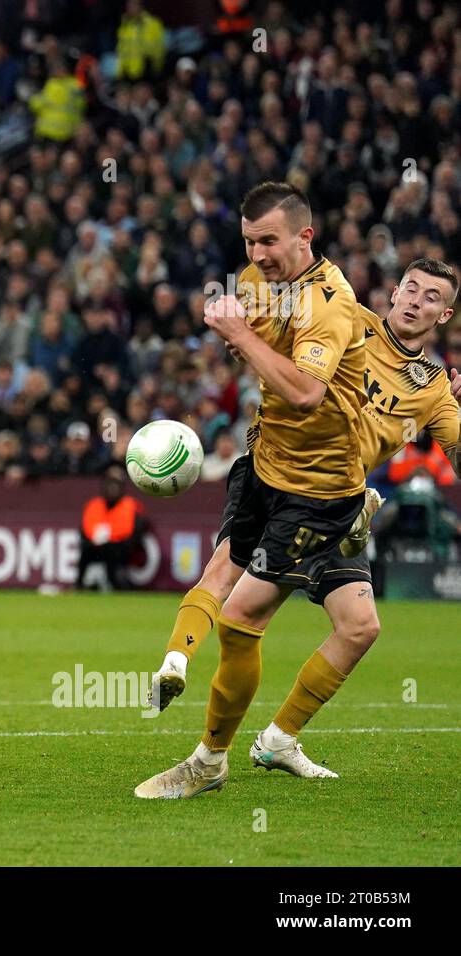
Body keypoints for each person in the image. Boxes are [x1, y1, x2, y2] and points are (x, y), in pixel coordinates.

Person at [139, 250, 461, 796]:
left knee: (359, 628)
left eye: (432, 297)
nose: (415, 301)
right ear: (394, 291)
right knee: (239, 607)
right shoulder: (348, 321)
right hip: (289, 487)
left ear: (445, 316)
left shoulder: (433, 390)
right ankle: (205, 747)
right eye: (410, 288)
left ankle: (278, 739)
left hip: (340, 506)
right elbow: (282, 349)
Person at [135, 182, 372, 798]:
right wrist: (237, 333)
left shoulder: (330, 302)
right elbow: (262, 357)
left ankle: (208, 764)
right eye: (249, 241)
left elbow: (305, 392)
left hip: (317, 492)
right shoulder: (253, 280)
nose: (258, 254)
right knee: (232, 576)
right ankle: (180, 662)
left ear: (305, 235)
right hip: (266, 465)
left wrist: (240, 337)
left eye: (268, 240)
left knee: (241, 620)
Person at [76, 464, 148, 591]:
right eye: (110, 483)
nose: (112, 487)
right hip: (96, 545)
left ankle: (114, 584)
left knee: (112, 551)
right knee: (86, 551)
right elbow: (83, 530)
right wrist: (94, 540)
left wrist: (115, 540)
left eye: (116, 484)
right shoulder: (94, 505)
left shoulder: (131, 505)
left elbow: (137, 532)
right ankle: (79, 585)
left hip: (120, 547)